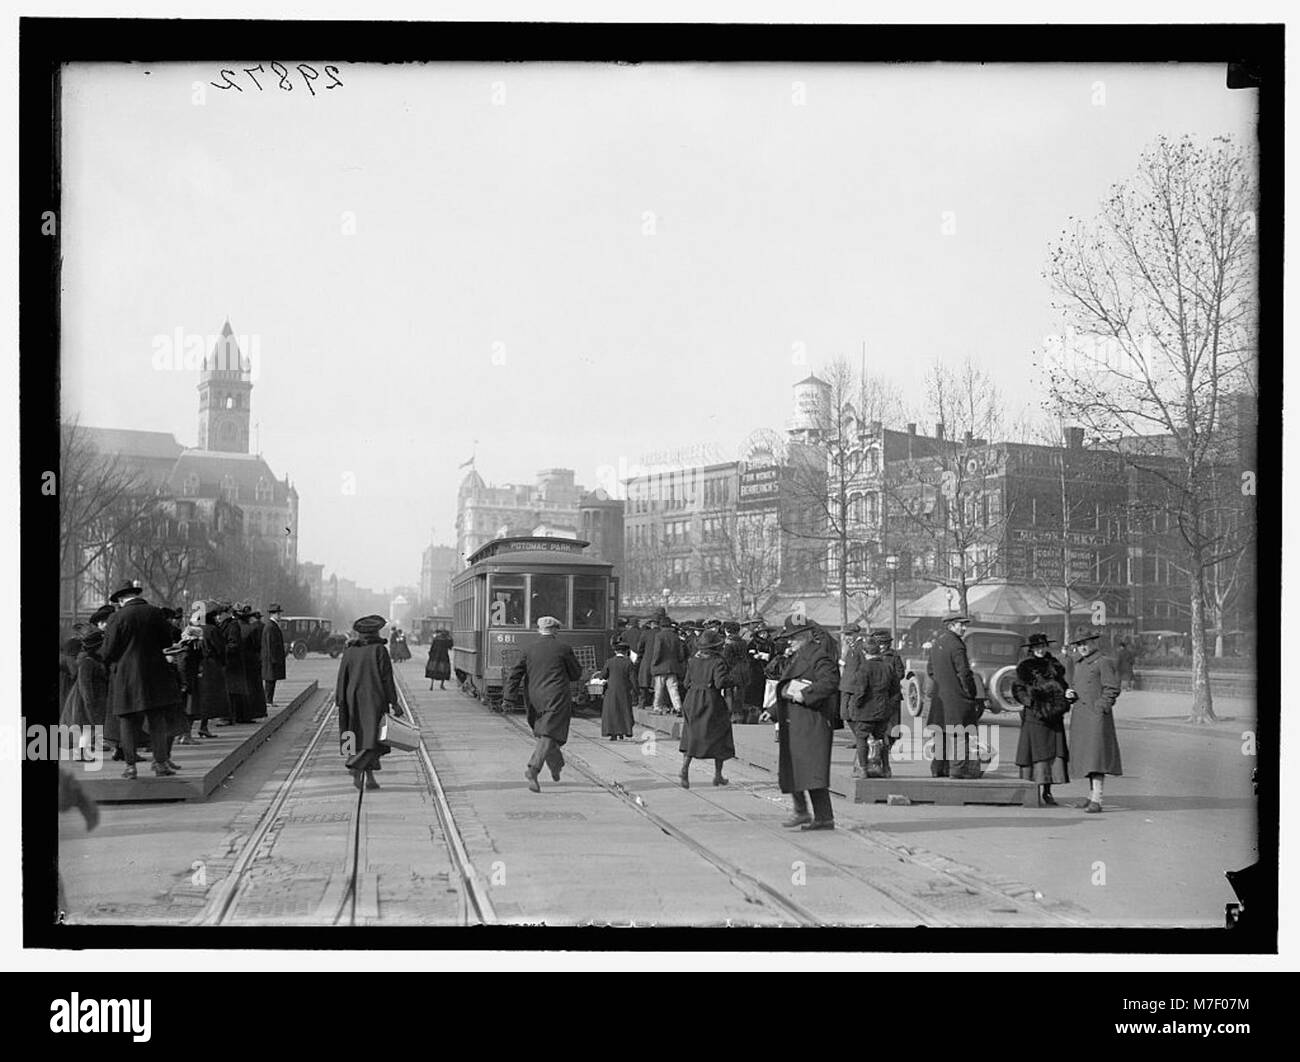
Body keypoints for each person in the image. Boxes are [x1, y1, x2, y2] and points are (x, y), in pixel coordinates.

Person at [760, 616, 841, 830]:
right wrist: (773, 710)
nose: (790, 642)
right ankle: (807, 813)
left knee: (811, 771)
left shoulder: (820, 657)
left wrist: (804, 695)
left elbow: (829, 683)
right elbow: (787, 688)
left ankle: (820, 816)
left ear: (804, 636)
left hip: (811, 722)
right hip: (796, 721)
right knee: (798, 768)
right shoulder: (800, 656)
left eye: (793, 637)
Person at [99, 580, 183, 779]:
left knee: (127, 722)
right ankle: (160, 763)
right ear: (136, 594)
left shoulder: (116, 617)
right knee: (157, 721)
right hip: (155, 675)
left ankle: (131, 767)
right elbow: (166, 642)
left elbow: (109, 651)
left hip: (126, 678)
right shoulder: (155, 613)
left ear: (120, 599)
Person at [503, 616, 582, 792]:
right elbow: (576, 674)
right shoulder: (563, 649)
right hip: (557, 697)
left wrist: (508, 698)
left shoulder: (528, 649)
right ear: (555, 630)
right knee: (549, 734)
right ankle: (533, 769)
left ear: (539, 630)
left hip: (534, 698)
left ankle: (556, 765)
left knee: (545, 733)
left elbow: (514, 674)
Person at [335, 614, 400, 791]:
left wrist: (340, 700)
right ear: (376, 632)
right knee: (373, 738)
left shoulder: (349, 650)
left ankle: (370, 778)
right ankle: (355, 766)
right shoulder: (379, 650)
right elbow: (387, 679)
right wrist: (394, 703)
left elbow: (342, 677)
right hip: (374, 700)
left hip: (351, 700)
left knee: (354, 735)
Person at [1011, 633, 1071, 806]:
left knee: (1052, 752)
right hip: (1034, 715)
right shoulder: (1024, 666)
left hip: (1053, 715)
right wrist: (1030, 702)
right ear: (1031, 649)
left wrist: (1066, 696)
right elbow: (1018, 689)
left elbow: (1063, 685)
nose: (1040, 650)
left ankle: (1047, 791)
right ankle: (1031, 790)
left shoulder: (1055, 665)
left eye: (1043, 646)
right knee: (1034, 752)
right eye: (1037, 647)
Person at [1067, 626, 1122, 813]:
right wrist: (1070, 695)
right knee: (1086, 756)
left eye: (1086, 643)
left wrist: (1101, 707)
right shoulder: (1079, 663)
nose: (1082, 647)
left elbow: (1112, 688)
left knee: (1096, 757)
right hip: (1081, 716)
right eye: (1079, 644)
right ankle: (1091, 796)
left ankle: (1097, 798)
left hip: (1096, 717)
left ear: (1093, 643)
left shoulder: (1103, 662)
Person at [925, 612, 983, 779]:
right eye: (961, 625)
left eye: (965, 624)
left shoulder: (937, 643)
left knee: (940, 732)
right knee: (960, 732)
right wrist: (970, 692)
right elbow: (964, 672)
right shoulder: (957, 645)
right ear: (951, 625)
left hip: (939, 696)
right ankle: (958, 769)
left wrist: (943, 683)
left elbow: (930, 670)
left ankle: (938, 768)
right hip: (957, 697)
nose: (964, 628)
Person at [679, 628, 738, 788]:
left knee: (691, 735)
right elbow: (720, 683)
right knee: (721, 734)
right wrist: (733, 679)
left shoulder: (692, 661)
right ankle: (718, 775)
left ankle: (685, 767)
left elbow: (685, 684)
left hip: (691, 699)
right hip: (710, 701)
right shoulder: (718, 662)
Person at [848, 632, 901, 779]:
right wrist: (889, 706)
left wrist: (855, 706)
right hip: (883, 709)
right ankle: (886, 768)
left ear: (865, 652)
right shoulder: (888, 667)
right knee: (881, 738)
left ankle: (863, 768)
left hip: (866, 710)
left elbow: (860, 691)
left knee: (861, 738)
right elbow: (895, 690)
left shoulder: (864, 669)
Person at [60, 628, 107, 761]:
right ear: (97, 647)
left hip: (93, 697)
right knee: (84, 726)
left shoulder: (94, 661)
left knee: (87, 726)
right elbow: (84, 683)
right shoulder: (87, 662)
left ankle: (82, 752)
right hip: (85, 697)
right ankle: (80, 753)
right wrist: (89, 700)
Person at [191, 601, 230, 739]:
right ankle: (203, 726)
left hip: (197, 664)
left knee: (195, 698)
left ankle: (188, 730)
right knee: (210, 697)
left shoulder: (195, 629)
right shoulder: (213, 630)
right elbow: (220, 649)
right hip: (212, 666)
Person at [597, 639, 638, 740]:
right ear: (626, 652)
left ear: (615, 651)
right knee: (624, 711)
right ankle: (623, 732)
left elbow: (603, 676)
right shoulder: (629, 663)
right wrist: (637, 691)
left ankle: (612, 733)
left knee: (612, 712)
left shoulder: (609, 662)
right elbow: (633, 679)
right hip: (624, 691)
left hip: (611, 691)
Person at [837, 623, 866, 765]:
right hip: (845, 684)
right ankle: (858, 738)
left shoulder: (861, 647)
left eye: (849, 634)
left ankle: (861, 739)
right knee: (844, 713)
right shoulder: (848, 648)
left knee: (853, 713)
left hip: (854, 686)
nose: (847, 637)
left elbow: (864, 668)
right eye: (845, 634)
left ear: (856, 634)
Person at [651, 616, 687, 715]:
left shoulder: (659, 636)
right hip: (673, 667)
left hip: (660, 666)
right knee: (673, 689)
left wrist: (654, 663)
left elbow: (657, 651)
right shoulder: (675, 636)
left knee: (659, 689)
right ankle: (678, 707)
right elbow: (681, 653)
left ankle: (657, 707)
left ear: (661, 625)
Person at [221, 603, 248, 724]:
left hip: (231, 663)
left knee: (231, 691)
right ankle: (233, 716)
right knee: (231, 691)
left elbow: (233, 644)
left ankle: (229, 717)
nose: (218, 616)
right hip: (230, 663)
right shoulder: (227, 625)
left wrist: (221, 648)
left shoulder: (232, 626)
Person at [721, 621, 752, 725]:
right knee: (740, 693)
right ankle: (739, 715)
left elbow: (726, 659)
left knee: (729, 692)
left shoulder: (728, 643)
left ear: (726, 630)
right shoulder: (743, 642)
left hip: (732, 670)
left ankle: (730, 715)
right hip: (743, 669)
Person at [242, 609, 268, 721]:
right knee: (255, 688)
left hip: (244, 662)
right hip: (253, 661)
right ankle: (254, 712)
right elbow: (257, 645)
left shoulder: (241, 628)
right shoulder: (253, 629)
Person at [262, 603, 287, 706]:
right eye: (278, 613)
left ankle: (269, 700)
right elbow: (269, 645)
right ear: (273, 614)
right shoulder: (270, 627)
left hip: (272, 658)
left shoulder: (272, 626)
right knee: (270, 681)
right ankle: (268, 700)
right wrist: (274, 659)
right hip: (271, 659)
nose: (280, 615)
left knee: (272, 680)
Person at [636, 618, 658, 710]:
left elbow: (639, 648)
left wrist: (640, 656)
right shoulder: (661, 634)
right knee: (657, 684)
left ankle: (642, 703)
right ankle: (655, 703)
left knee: (644, 683)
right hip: (658, 662)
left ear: (652, 624)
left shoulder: (645, 633)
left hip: (646, 660)